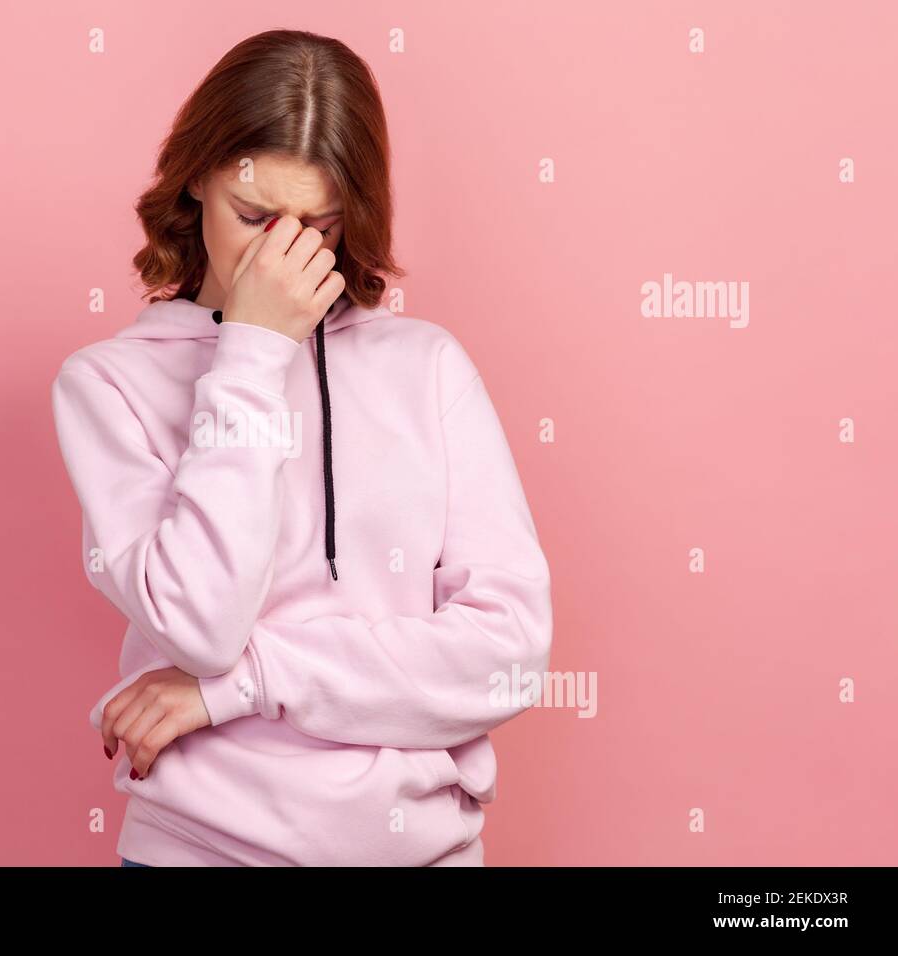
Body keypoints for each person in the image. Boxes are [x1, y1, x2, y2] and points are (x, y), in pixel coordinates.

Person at [52, 29, 553, 867]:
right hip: (202, 853)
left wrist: (240, 688)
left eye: (317, 226)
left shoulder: (425, 367)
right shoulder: (109, 387)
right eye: (253, 218)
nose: (284, 256)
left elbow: (506, 656)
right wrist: (252, 348)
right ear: (197, 184)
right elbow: (201, 625)